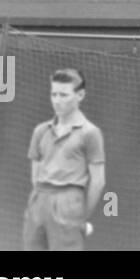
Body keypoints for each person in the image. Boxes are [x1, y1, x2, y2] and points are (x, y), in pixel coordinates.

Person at [23, 68, 106, 251]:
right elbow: (35, 175)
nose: (57, 100)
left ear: (80, 95)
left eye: (64, 95)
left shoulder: (90, 133)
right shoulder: (40, 131)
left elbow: (98, 181)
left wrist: (80, 215)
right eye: (54, 94)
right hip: (39, 200)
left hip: (69, 202)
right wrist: (40, 201)